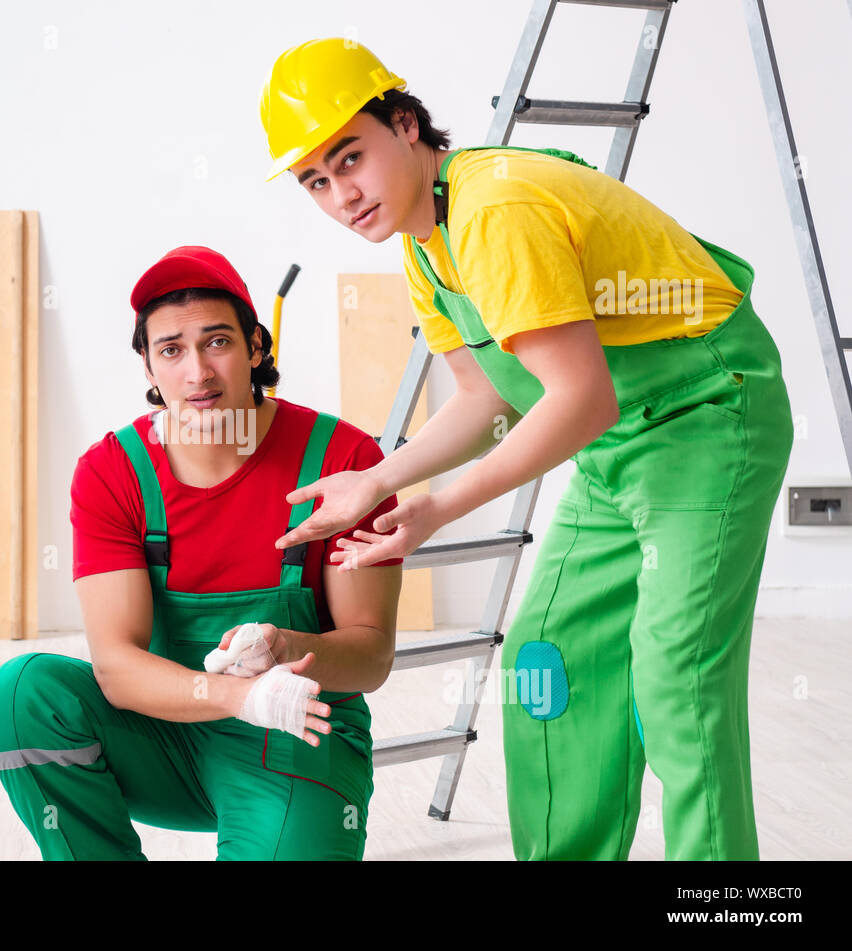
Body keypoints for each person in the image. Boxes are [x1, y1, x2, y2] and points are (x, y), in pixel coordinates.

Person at [259, 38, 794, 861]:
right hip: (620, 448)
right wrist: (377, 480)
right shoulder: (424, 243)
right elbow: (485, 397)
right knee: (548, 665)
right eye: (317, 182)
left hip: (709, 415)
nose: (342, 194)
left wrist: (437, 506)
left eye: (350, 157)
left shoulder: (492, 211)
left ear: (405, 125)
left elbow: (579, 398)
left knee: (675, 676)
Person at [0, 245, 404, 860]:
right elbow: (117, 667)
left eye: (218, 342)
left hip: (296, 730)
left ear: (256, 347)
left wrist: (285, 648)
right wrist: (235, 696)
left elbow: (370, 656)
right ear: (148, 368)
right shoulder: (113, 472)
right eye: (171, 350)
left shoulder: (343, 459)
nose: (197, 372)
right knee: (22, 694)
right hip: (161, 733)